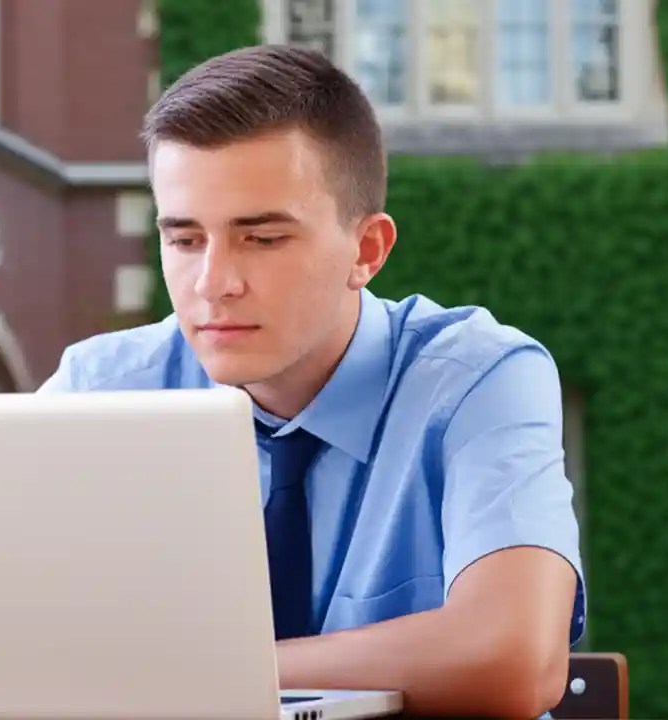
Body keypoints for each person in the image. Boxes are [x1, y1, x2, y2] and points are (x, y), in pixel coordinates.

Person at [39, 44, 586, 719]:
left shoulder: (477, 378)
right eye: (184, 240)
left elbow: (515, 662)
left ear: (367, 251)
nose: (214, 284)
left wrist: (205, 674)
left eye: (262, 239)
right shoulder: (98, 392)